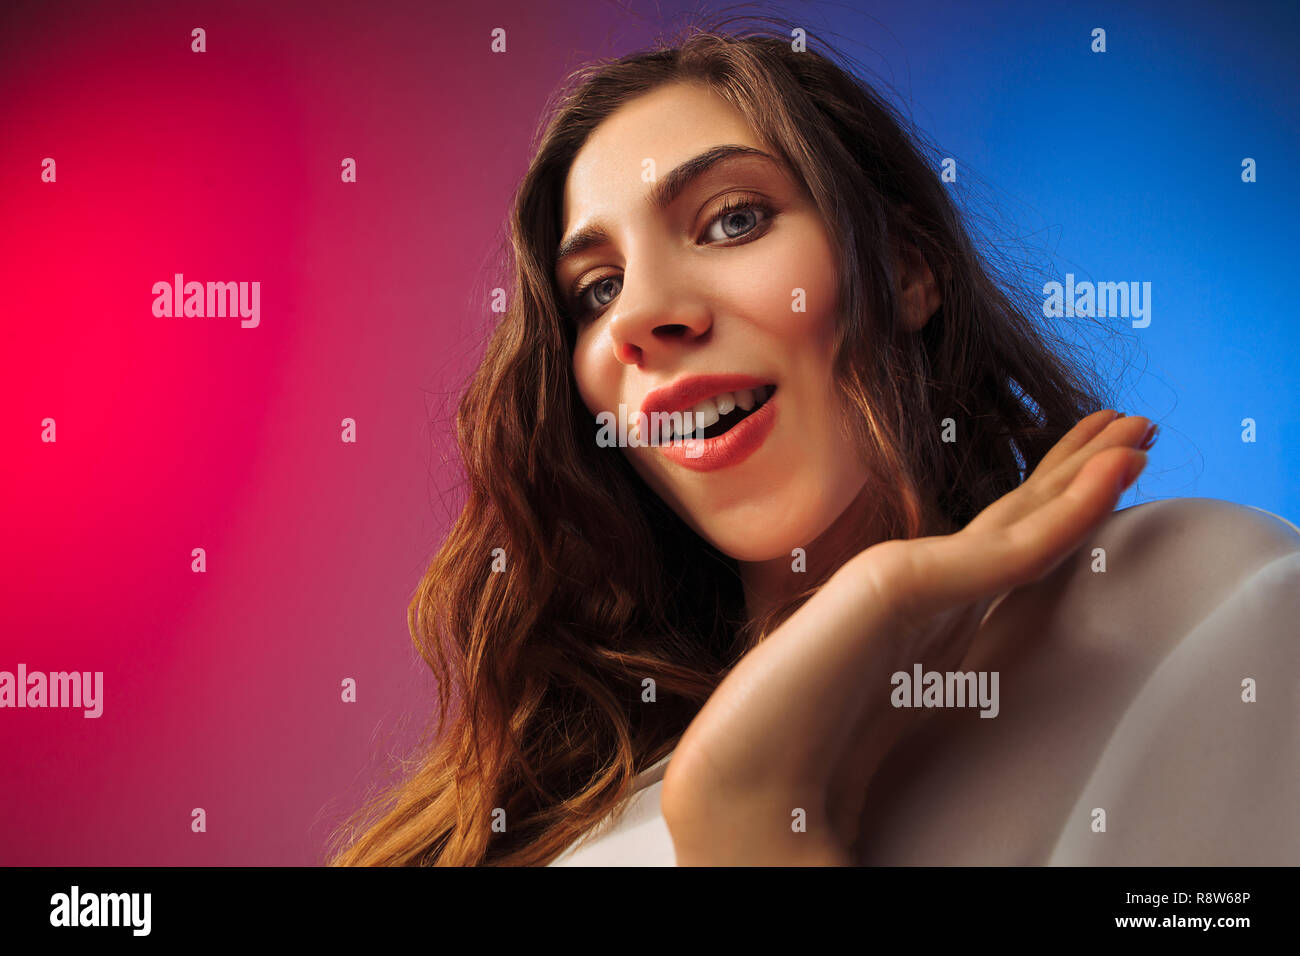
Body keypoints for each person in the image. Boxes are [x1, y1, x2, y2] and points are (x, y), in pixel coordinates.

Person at [327, 24, 1300, 867]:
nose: (642, 316)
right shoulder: (554, 790)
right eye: (595, 287)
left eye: (732, 219)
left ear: (907, 268)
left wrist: (746, 815)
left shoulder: (1189, 601)